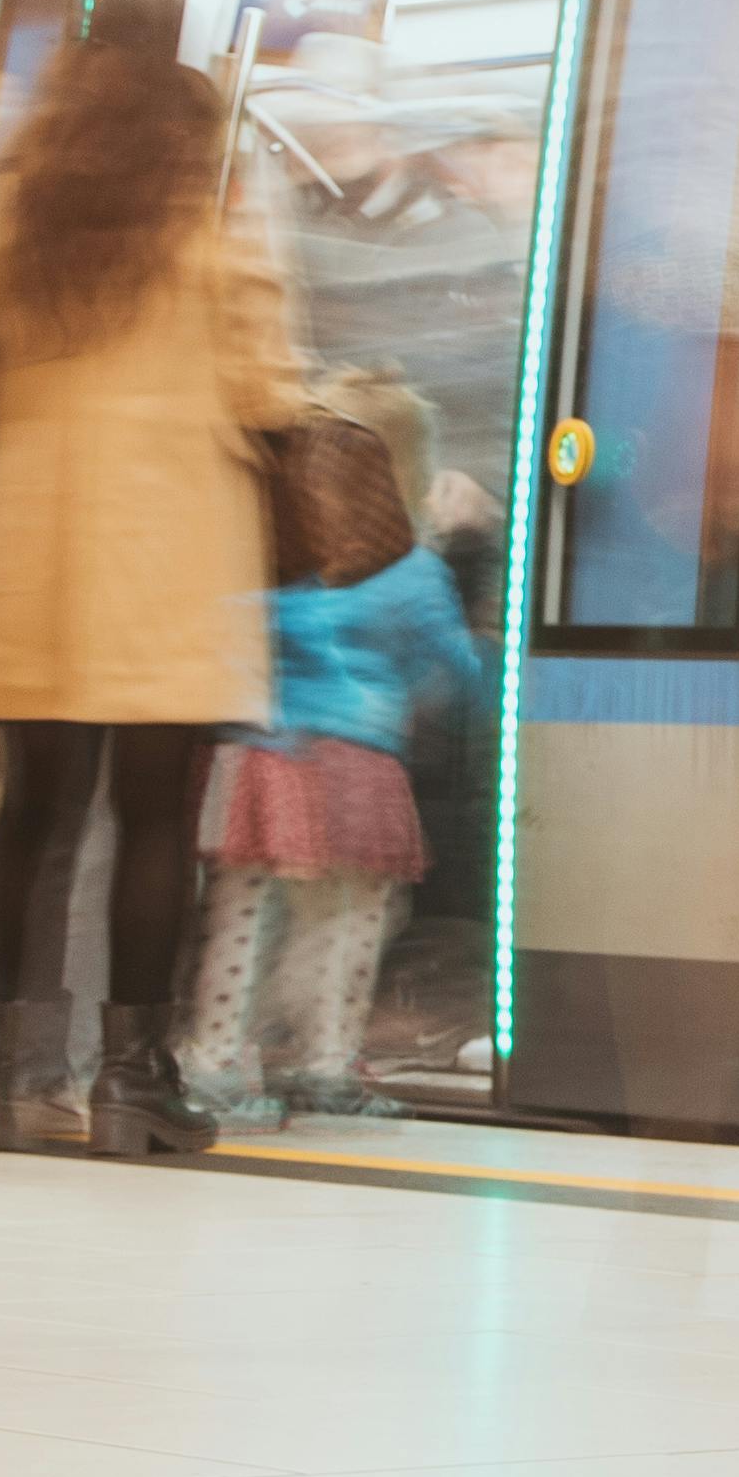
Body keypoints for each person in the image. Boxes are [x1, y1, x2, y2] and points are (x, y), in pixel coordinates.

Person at [0, 0, 301, 1159]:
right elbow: (263, 381)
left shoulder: (24, 202)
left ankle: (20, 1074)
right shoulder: (207, 202)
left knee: (35, 813)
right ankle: (131, 1085)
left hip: (39, 556)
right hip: (168, 552)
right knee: (154, 822)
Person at [180, 371, 489, 1124]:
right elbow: (452, 670)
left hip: (254, 756)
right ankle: (324, 1067)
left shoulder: (262, 551)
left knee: (242, 919)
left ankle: (214, 1065)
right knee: (347, 923)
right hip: (355, 764)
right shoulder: (408, 568)